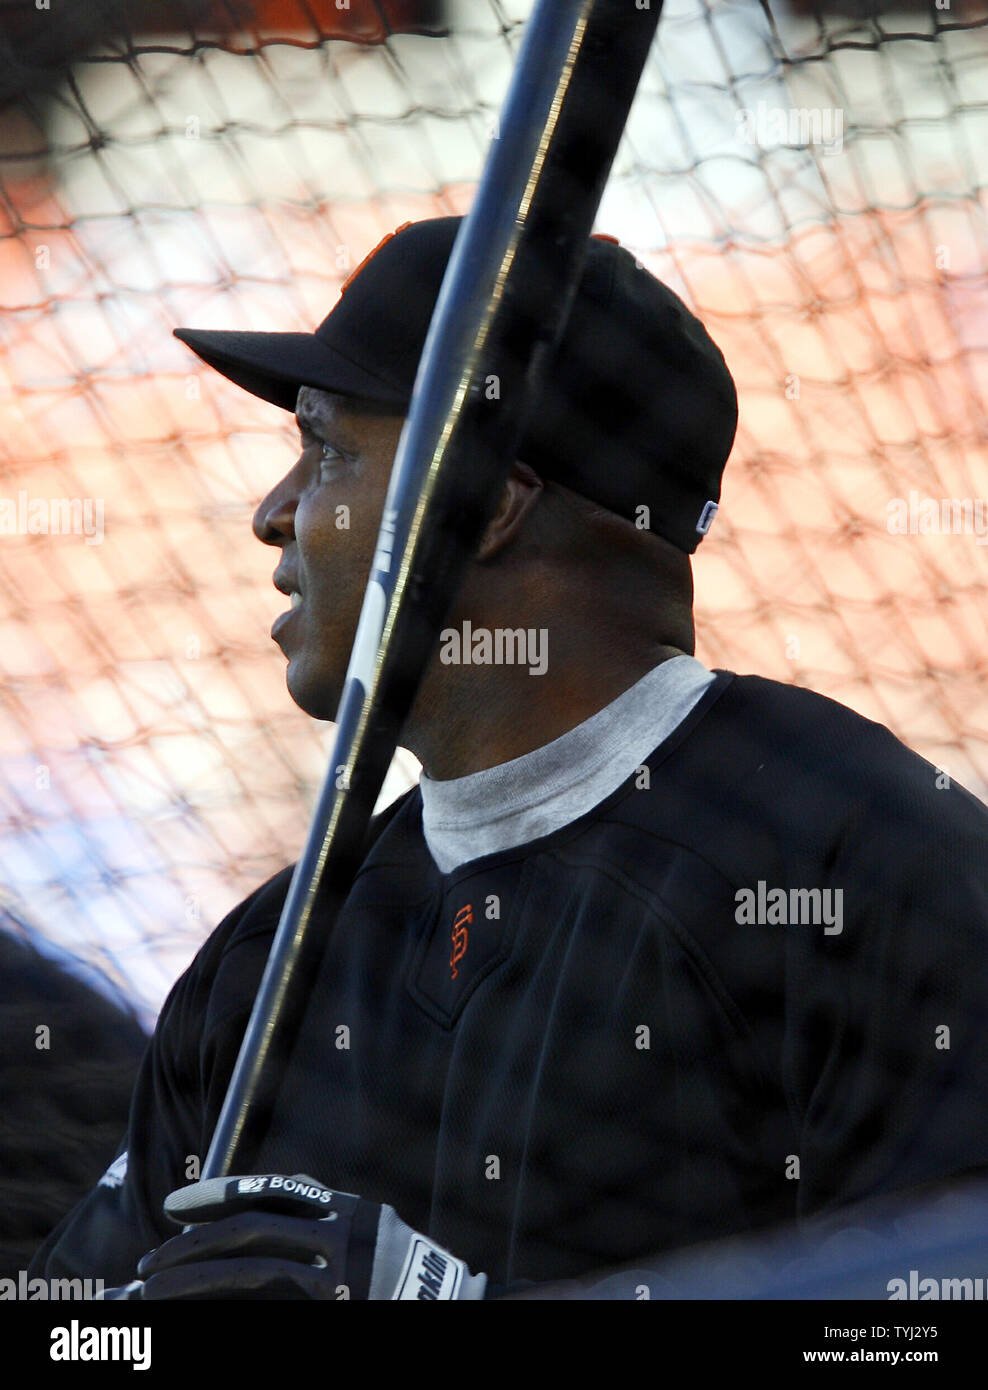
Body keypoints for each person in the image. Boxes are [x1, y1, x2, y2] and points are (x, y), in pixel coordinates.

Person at [29, 217, 988, 1300]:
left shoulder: (860, 871)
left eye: (330, 448)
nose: (274, 513)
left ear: (488, 503)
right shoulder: (262, 963)